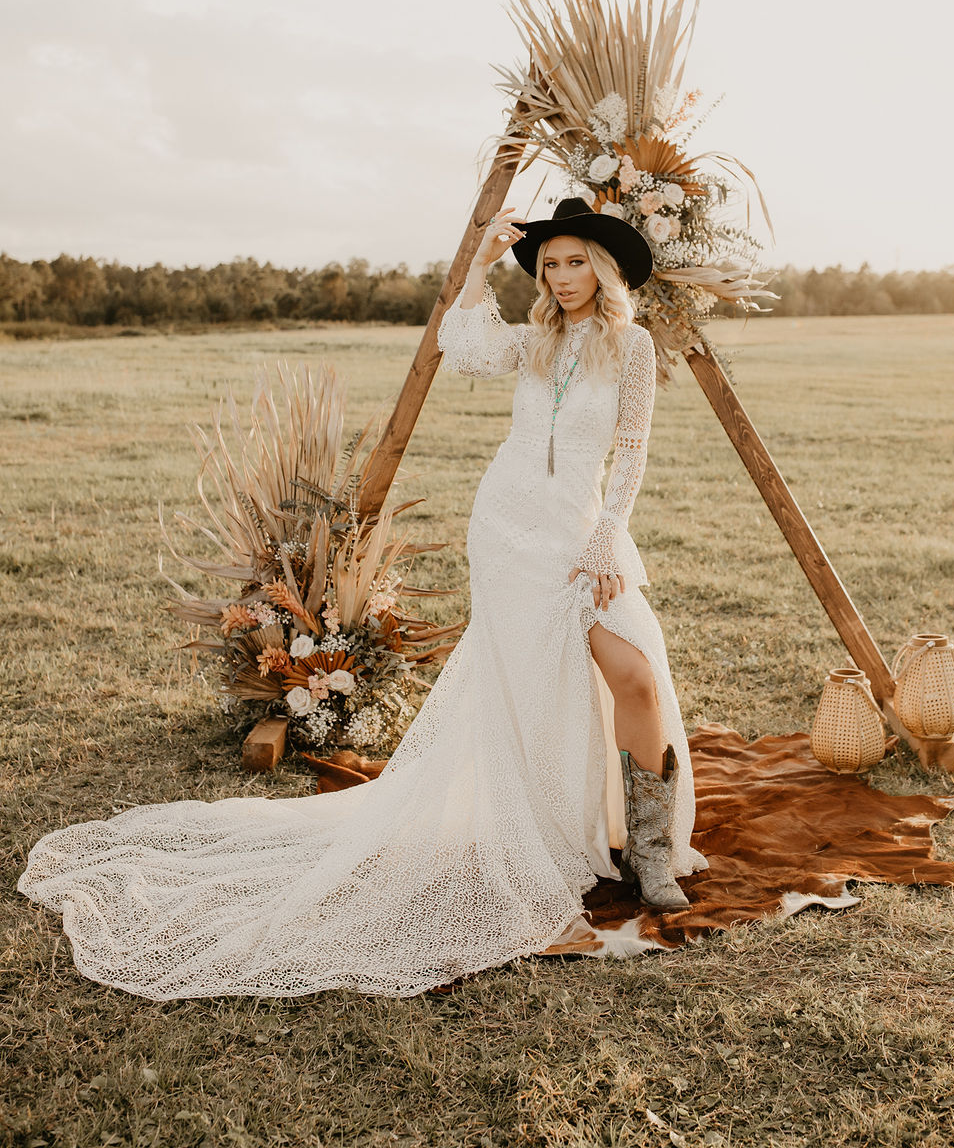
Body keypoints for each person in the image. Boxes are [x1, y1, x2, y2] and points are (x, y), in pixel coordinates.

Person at [18, 198, 707, 1001]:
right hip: (507, 527)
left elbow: (632, 452)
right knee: (531, 682)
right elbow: (461, 347)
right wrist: (483, 263)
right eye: (549, 264)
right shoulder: (532, 341)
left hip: (582, 534)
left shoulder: (632, 347)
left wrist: (606, 536)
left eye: (575, 261)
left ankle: (649, 851)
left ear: (604, 266)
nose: (560, 277)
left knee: (634, 675)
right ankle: (551, 821)